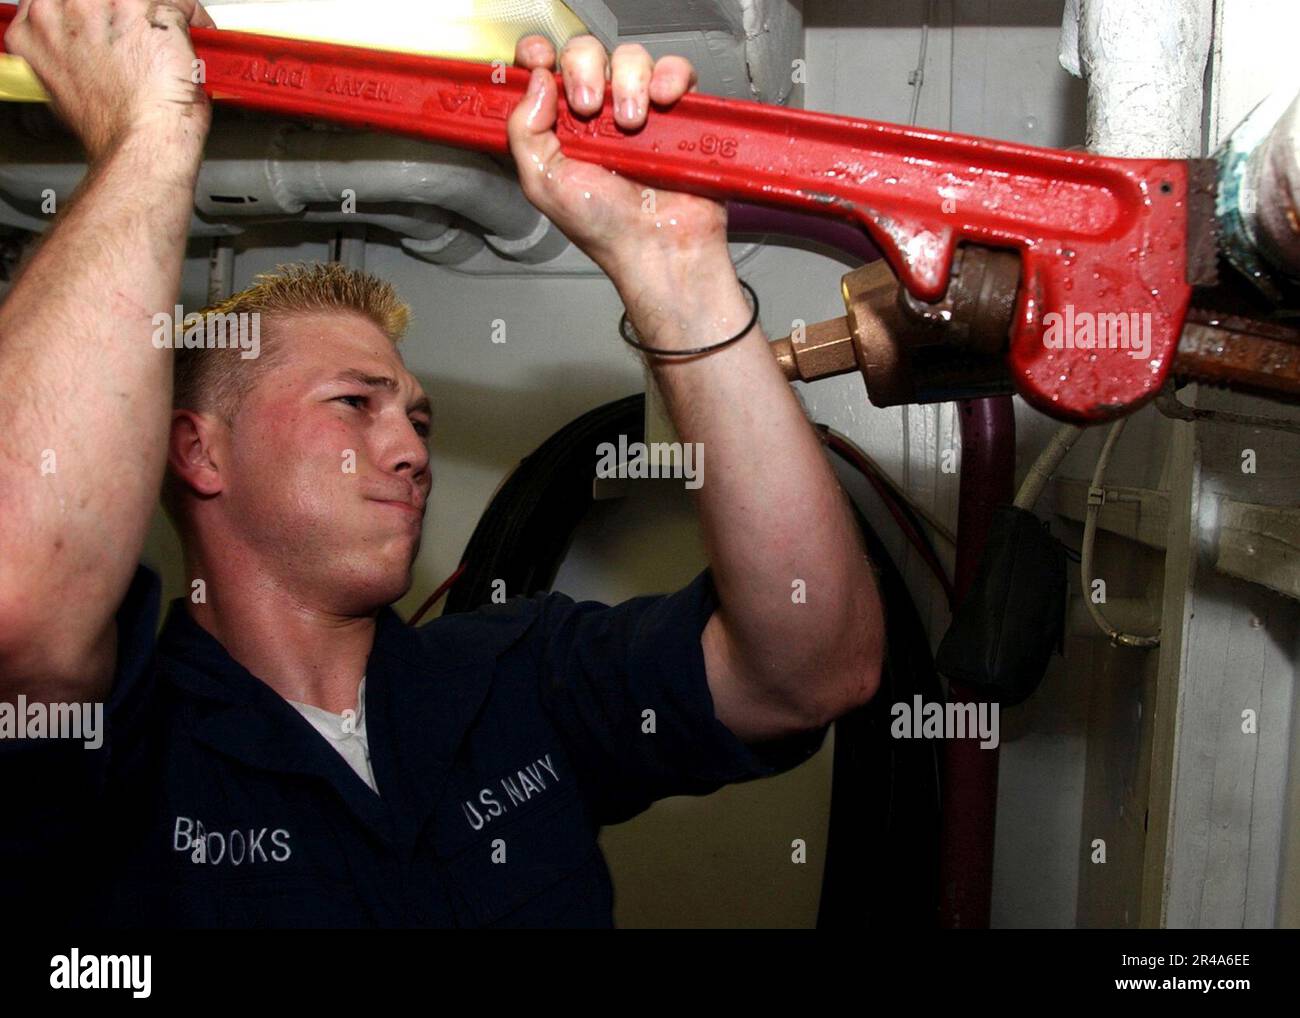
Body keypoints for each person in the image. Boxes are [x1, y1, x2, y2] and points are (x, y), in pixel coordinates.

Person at [0, 0, 884, 927]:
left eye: (419, 417)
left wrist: (683, 283)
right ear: (198, 451)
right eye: (355, 404)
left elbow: (812, 670)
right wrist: (147, 135)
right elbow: (23, 607)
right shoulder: (120, 740)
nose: (412, 449)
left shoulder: (514, 679)